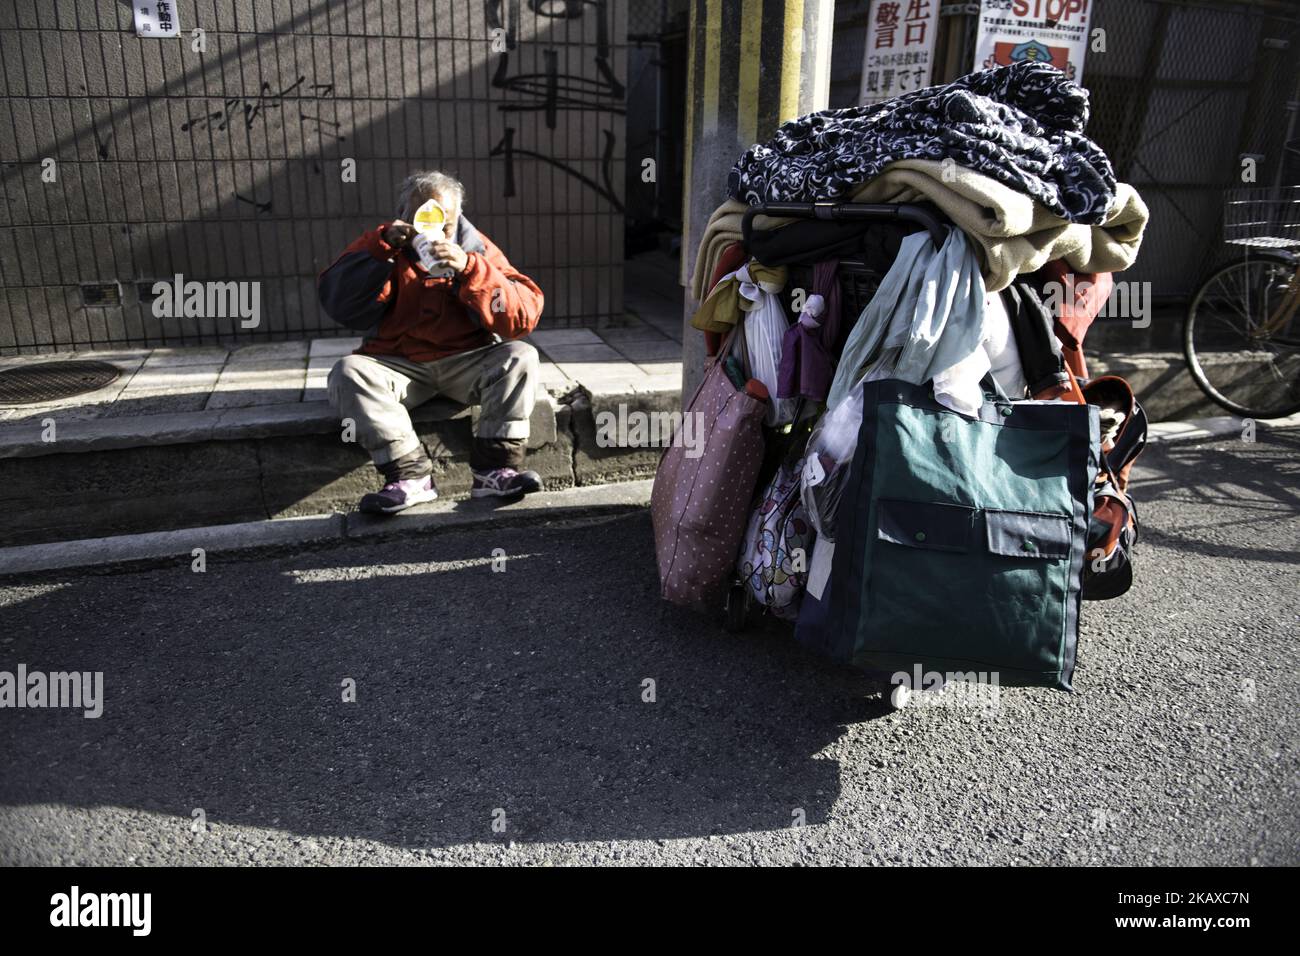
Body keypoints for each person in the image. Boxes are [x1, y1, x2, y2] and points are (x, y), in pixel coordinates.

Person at [319, 170, 545, 513]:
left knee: (520, 357)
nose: (435, 231)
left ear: (458, 219)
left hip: (468, 359)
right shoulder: (382, 247)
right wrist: (381, 250)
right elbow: (337, 301)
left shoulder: (476, 248)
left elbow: (522, 317)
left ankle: (494, 471)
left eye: (446, 222)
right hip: (398, 362)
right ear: (405, 217)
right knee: (348, 372)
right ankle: (410, 477)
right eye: (422, 218)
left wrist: (471, 268)